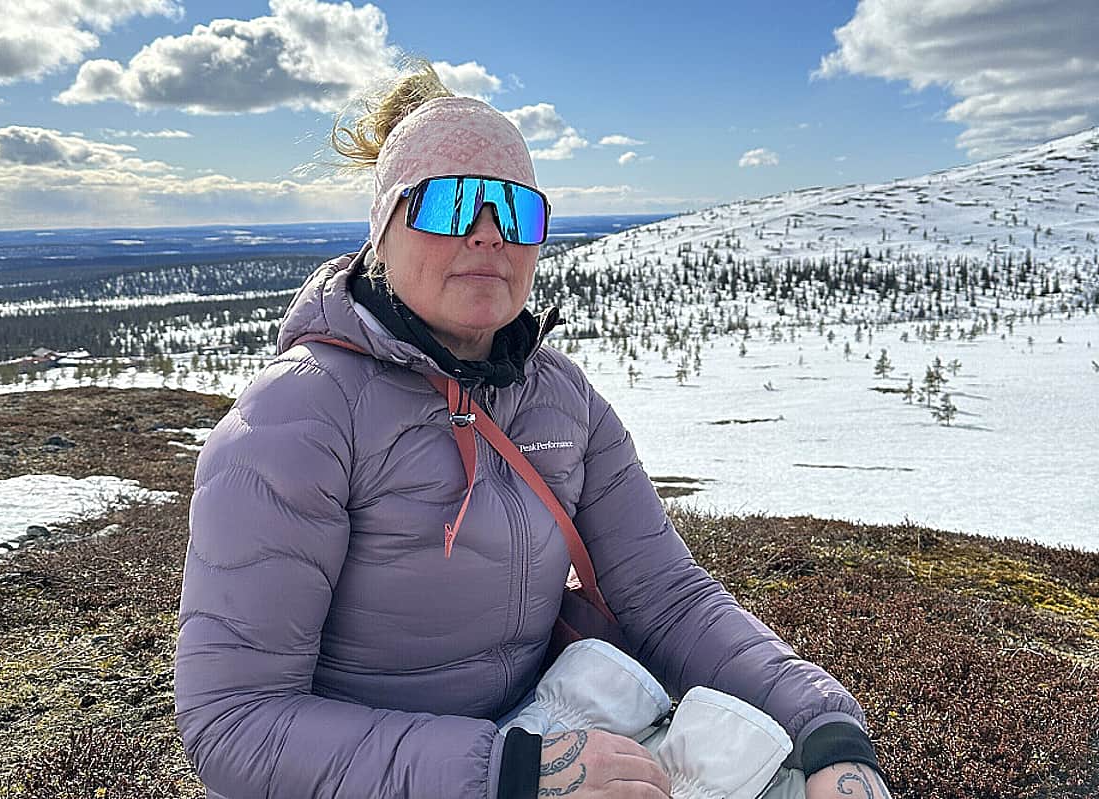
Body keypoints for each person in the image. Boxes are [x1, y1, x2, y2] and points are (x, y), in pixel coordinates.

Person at [174, 61, 892, 799]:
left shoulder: (561, 397)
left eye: (514, 211)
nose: (488, 236)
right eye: (449, 205)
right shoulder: (297, 417)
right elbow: (235, 722)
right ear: (382, 231)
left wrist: (824, 727)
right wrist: (507, 773)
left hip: (536, 731)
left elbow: (668, 595)